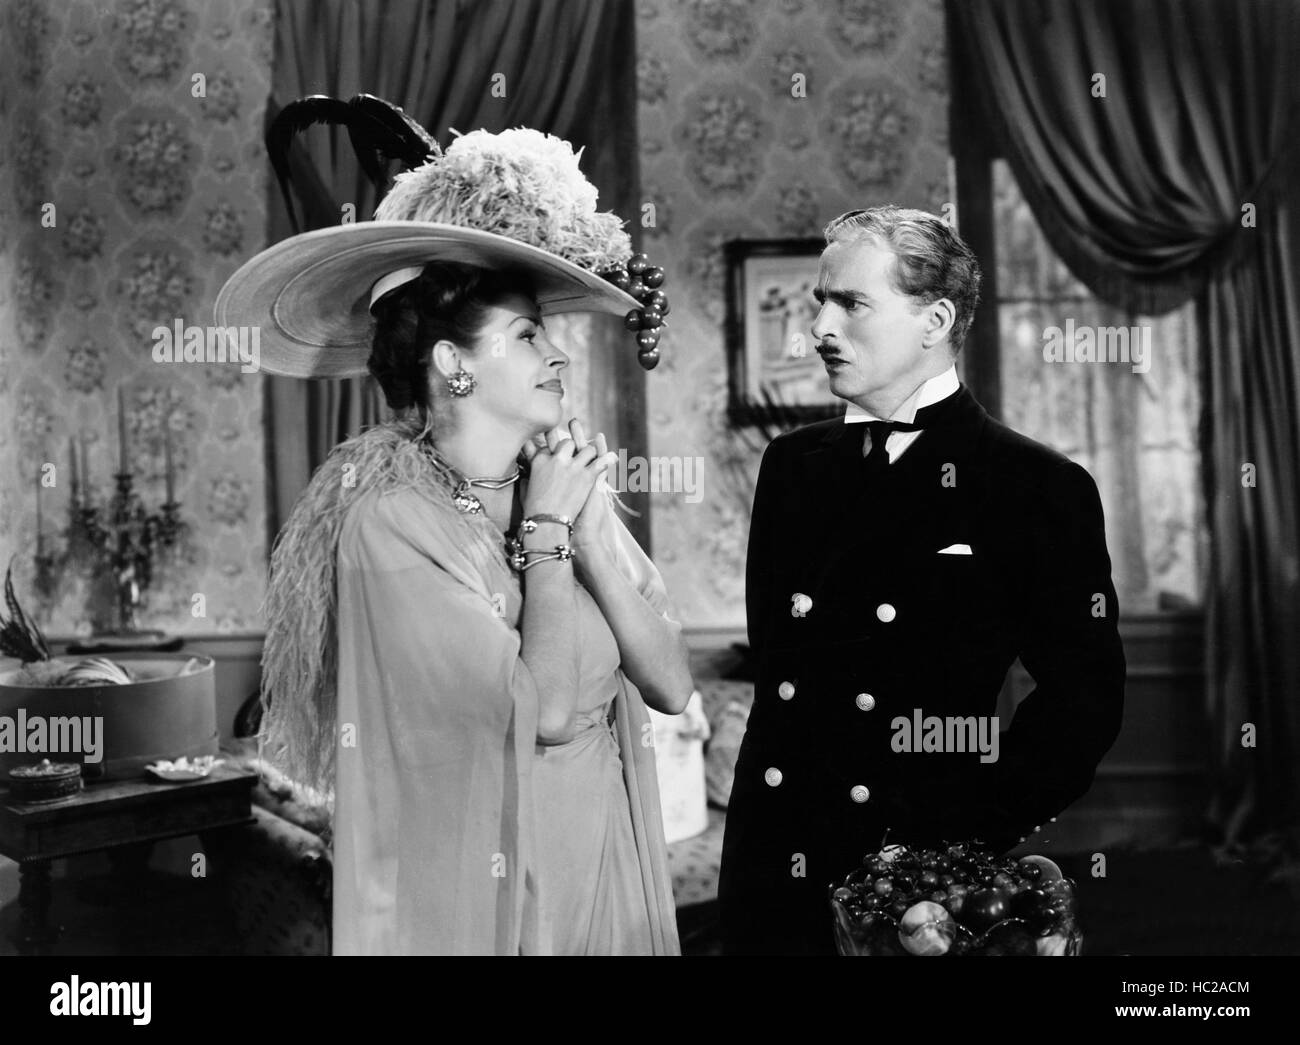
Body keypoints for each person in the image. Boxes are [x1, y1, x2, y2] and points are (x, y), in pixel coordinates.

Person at [219, 107, 690, 954]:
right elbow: (540, 711)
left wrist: (585, 531)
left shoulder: (564, 482)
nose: (557, 354)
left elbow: (672, 685)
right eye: (527, 333)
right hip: (490, 873)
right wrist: (547, 531)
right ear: (452, 363)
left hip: (601, 854)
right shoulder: (392, 521)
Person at [718, 206, 1126, 954]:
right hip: (772, 852)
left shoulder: (1036, 485)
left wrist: (968, 831)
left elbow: (1085, 698)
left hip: (913, 872)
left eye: (852, 303)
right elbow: (779, 657)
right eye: (821, 301)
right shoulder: (791, 468)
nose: (820, 329)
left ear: (936, 318)